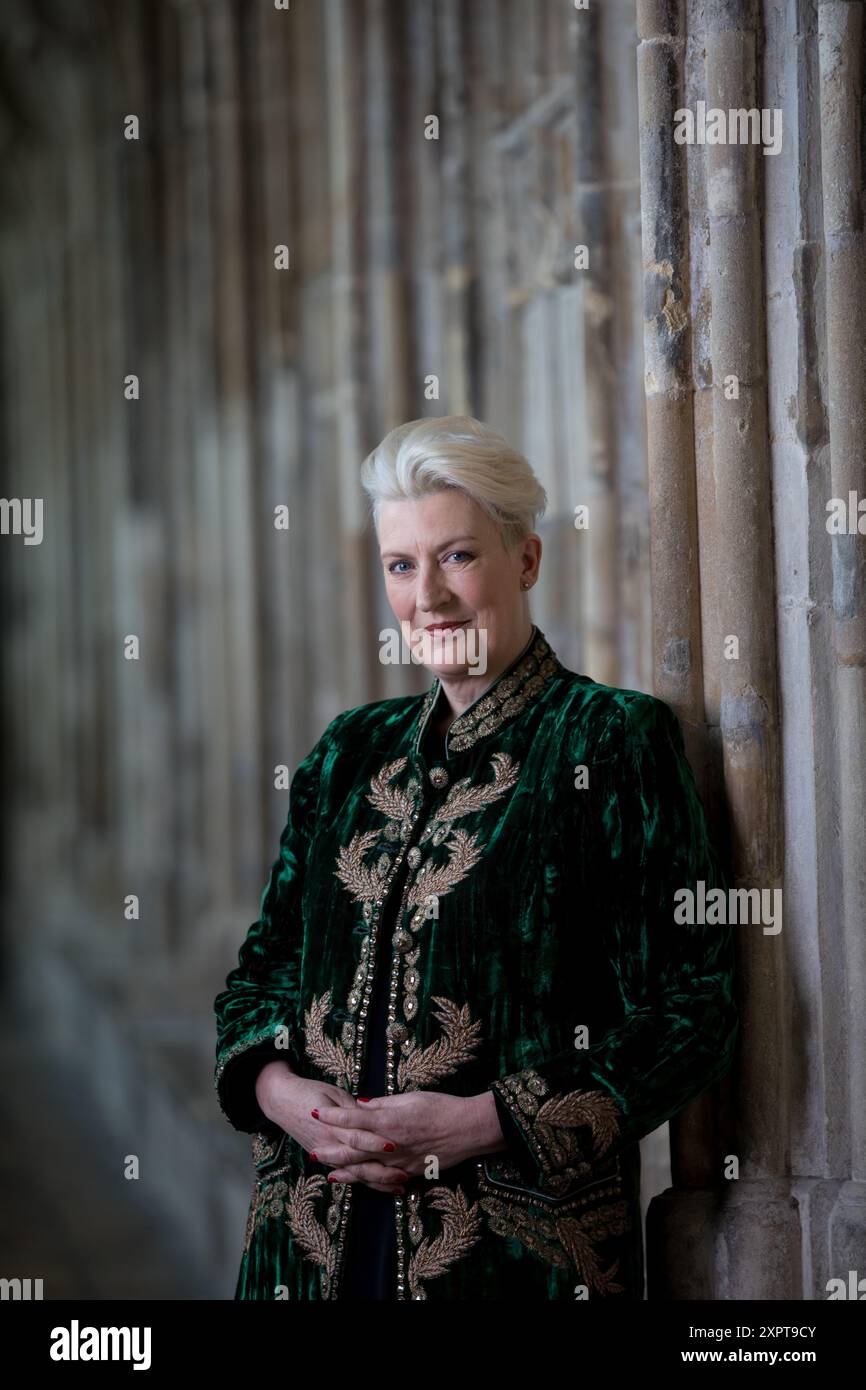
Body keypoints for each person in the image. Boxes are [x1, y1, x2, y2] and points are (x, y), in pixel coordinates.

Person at [213, 414, 738, 1301]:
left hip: (515, 1256)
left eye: (457, 556)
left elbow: (692, 1005)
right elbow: (261, 974)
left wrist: (486, 1121)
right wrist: (276, 1092)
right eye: (402, 566)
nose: (430, 597)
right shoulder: (348, 751)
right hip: (308, 1246)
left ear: (526, 560)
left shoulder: (609, 739)